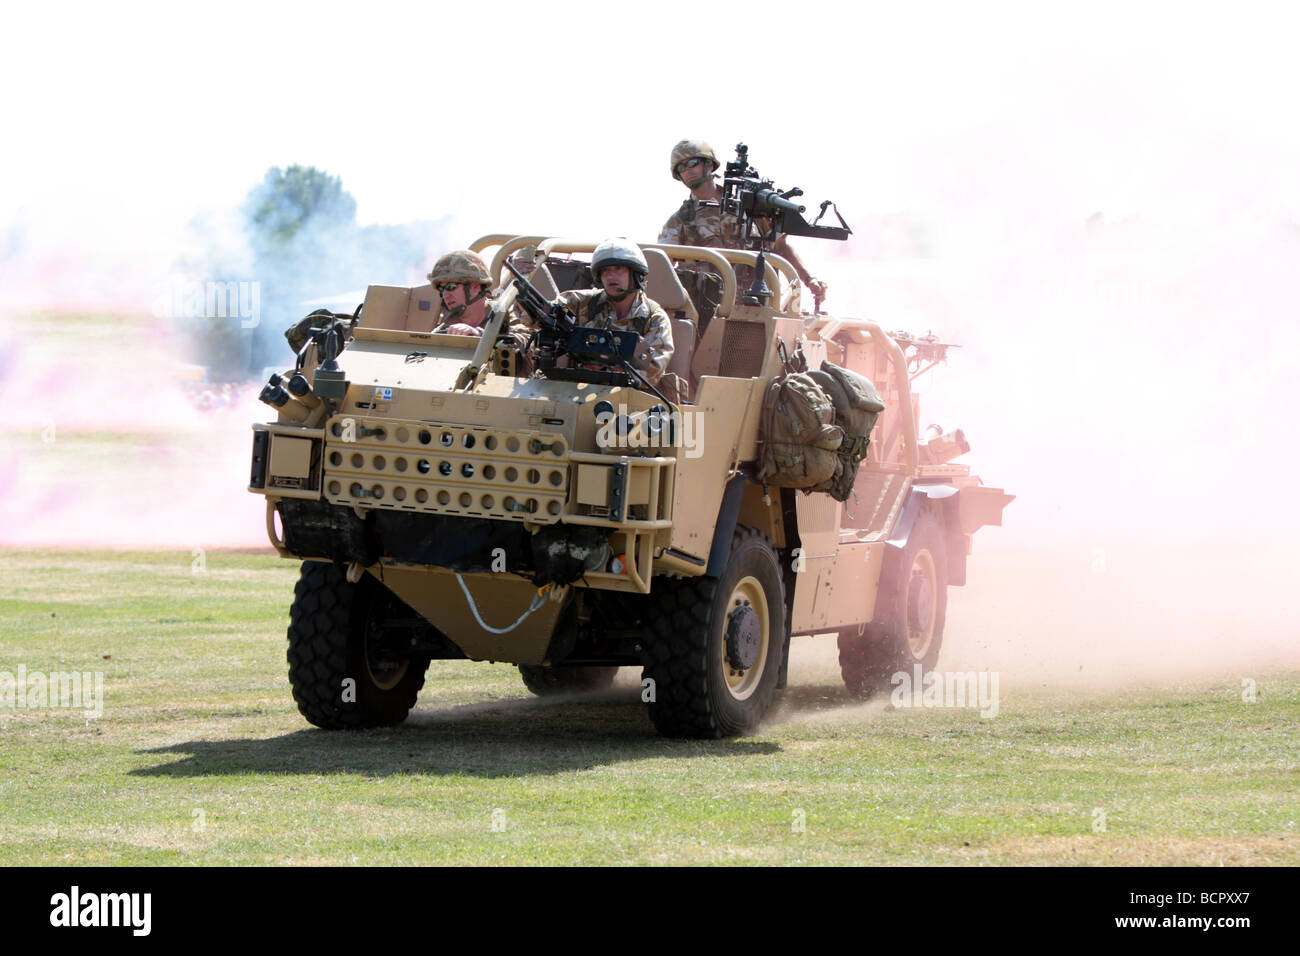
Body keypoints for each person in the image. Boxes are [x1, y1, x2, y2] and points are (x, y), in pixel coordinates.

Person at [657, 138, 829, 306]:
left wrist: (809, 279)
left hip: (755, 304)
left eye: (693, 162)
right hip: (705, 310)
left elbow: (781, 246)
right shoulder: (680, 221)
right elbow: (662, 265)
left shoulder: (752, 206)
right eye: (681, 167)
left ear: (709, 165)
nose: (687, 170)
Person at [553, 239, 675, 386]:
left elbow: (653, 369)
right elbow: (543, 313)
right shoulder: (581, 302)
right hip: (574, 393)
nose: (611, 276)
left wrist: (602, 366)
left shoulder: (653, 317)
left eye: (618, 269)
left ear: (635, 274)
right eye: (605, 271)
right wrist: (523, 275)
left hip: (629, 401)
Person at [426, 250, 496, 336]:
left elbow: (515, 340)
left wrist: (478, 334)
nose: (445, 295)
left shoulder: (501, 314)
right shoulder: (444, 329)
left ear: (475, 286)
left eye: (451, 287)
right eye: (441, 289)